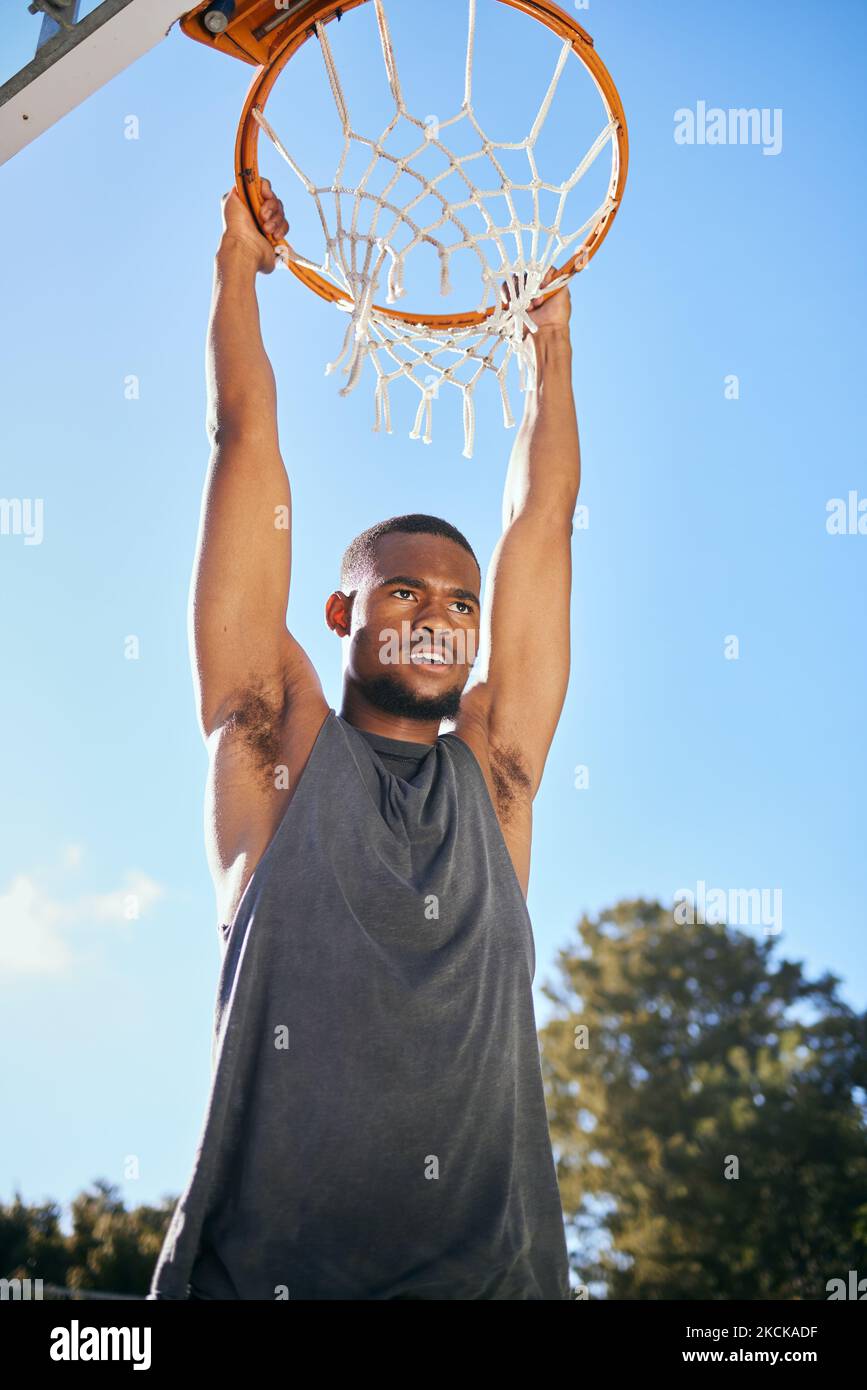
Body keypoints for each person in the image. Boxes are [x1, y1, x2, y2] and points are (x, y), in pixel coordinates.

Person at [148, 178, 580, 1301]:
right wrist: (235, 271)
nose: (439, 611)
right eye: (403, 591)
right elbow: (245, 441)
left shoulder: (497, 772)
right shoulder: (273, 747)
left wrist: (550, 352)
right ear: (341, 615)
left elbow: (542, 525)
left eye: (460, 601)